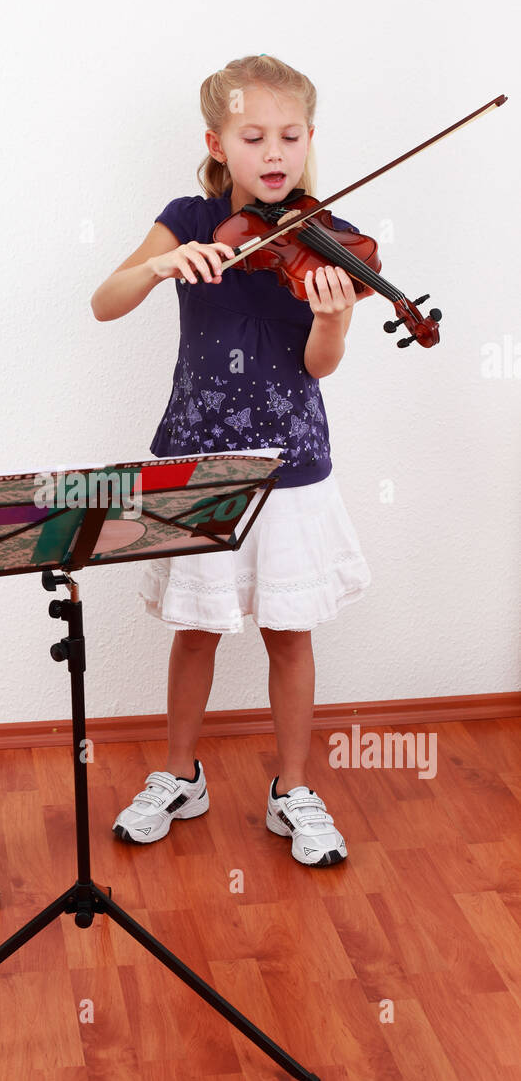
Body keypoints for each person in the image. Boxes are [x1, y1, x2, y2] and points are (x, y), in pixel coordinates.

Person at [91, 54, 372, 868]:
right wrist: (158, 264)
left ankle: (293, 789)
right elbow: (105, 301)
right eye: (255, 136)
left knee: (290, 630)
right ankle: (180, 775)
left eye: (290, 135)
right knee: (196, 630)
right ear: (218, 141)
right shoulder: (188, 215)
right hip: (201, 454)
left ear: (309, 138)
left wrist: (333, 321)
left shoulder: (324, 237)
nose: (275, 151)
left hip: (292, 458)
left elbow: (320, 366)